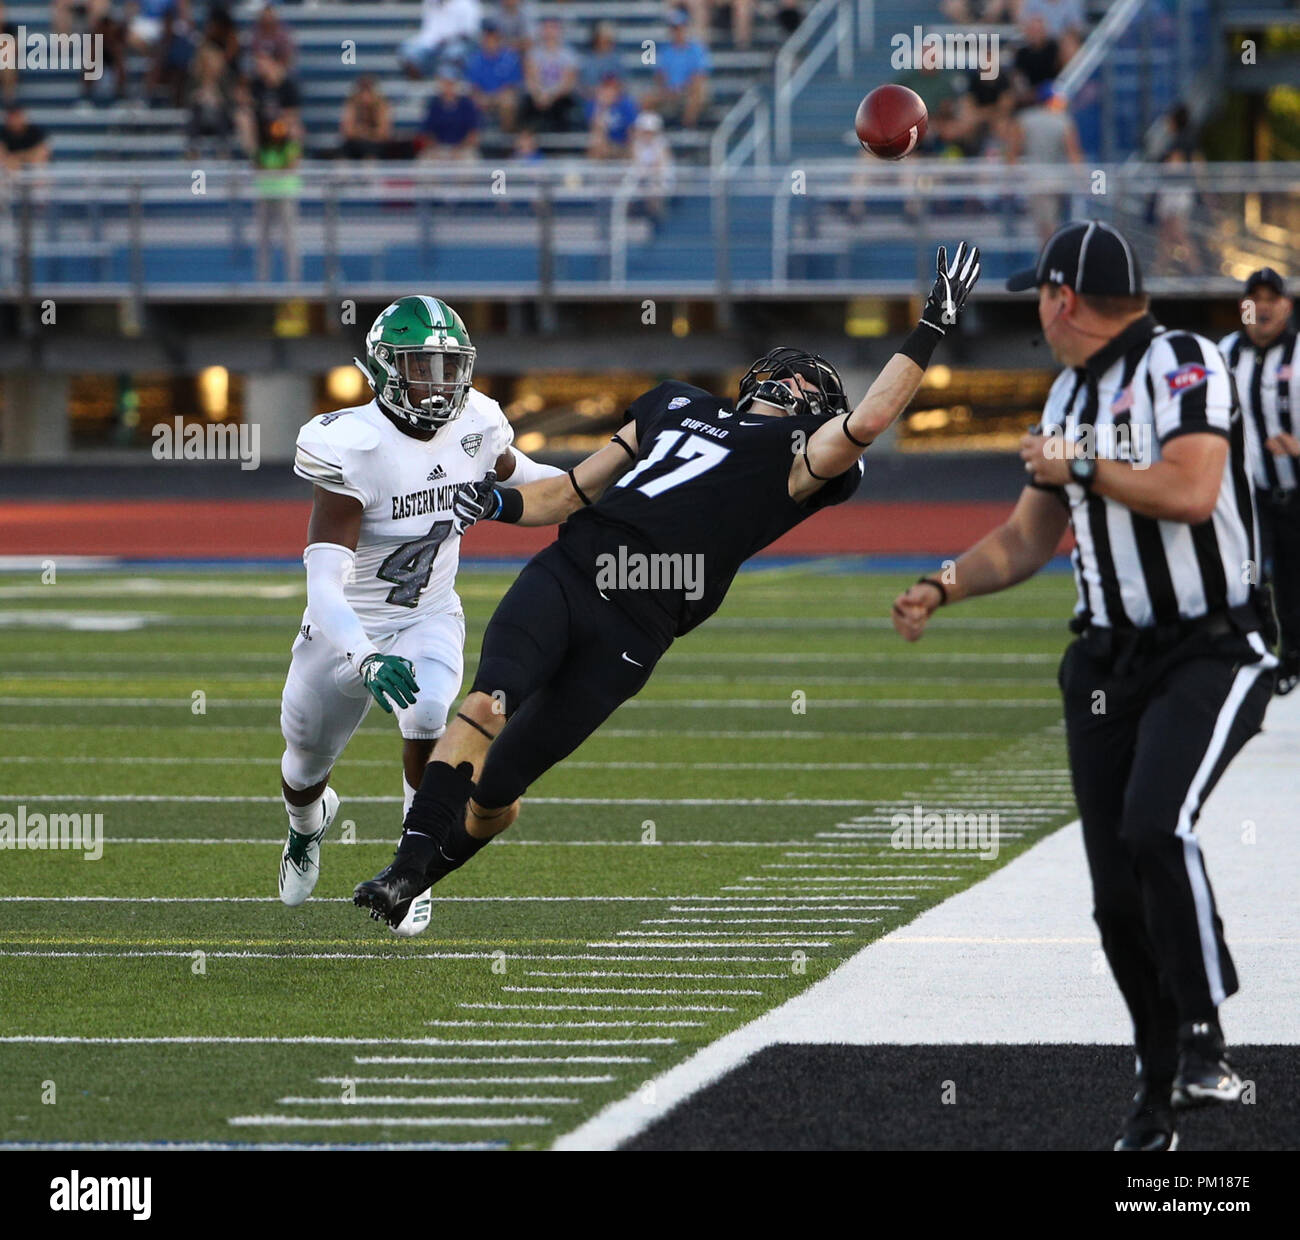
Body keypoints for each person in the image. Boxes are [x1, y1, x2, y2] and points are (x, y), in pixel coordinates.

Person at [351, 243, 981, 936]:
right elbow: (567, 492)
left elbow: (870, 420)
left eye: (808, 385)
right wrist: (496, 503)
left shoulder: (804, 461)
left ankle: (423, 876)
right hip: (570, 572)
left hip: (636, 627)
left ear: (816, 410)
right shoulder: (675, 403)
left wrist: (932, 326)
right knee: (487, 700)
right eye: (790, 375)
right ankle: (405, 868)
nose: (792, 385)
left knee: (501, 787)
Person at [892, 221, 1275, 1153]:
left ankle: (1204, 1040)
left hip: (1208, 646)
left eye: (1038, 298)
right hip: (1106, 661)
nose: (1036, 315)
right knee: (1113, 897)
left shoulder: (1187, 360)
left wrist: (1083, 466)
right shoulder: (1066, 390)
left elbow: (1190, 490)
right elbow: (1028, 539)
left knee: (1157, 824)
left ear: (1064, 299)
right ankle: (1157, 1081)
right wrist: (943, 582)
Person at [277, 296, 562, 907]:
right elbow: (325, 588)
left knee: (430, 715)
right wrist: (365, 659)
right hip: (347, 626)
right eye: (419, 367)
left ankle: (417, 861)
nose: (438, 384)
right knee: (303, 762)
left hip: (429, 614)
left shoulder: (477, 425)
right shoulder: (355, 445)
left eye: (448, 366)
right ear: (383, 370)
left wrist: (610, 484)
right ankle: (306, 828)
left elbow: (535, 478)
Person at [1219, 268, 1300, 695]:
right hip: (1246, 496)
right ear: (1243, 306)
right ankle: (1256, 656)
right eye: (1255, 298)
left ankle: (1292, 657)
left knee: (1291, 581)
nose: (1263, 306)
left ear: (1286, 306)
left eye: (1272, 298)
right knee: (1245, 576)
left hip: (1295, 492)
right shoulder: (1224, 353)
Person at [646, 10, 711, 128]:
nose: (677, 32)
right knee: (646, 100)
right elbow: (659, 75)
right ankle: (651, 135)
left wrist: (683, 89)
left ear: (686, 28)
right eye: (674, 28)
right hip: (670, 91)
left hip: (689, 91)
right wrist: (669, 90)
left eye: (680, 28)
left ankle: (687, 130)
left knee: (698, 93)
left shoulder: (697, 49)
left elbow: (700, 75)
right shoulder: (664, 50)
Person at [520, 16, 579, 132]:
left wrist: (551, 96)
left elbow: (568, 82)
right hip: (538, 95)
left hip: (559, 96)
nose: (549, 32)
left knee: (564, 106)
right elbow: (530, 77)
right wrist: (539, 95)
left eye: (552, 28)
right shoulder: (533, 54)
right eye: (546, 28)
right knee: (525, 105)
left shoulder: (568, 55)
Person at [464, 19, 524, 131]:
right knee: (471, 101)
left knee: (508, 101)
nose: (490, 40)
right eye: (487, 36)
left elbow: (512, 87)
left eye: (493, 37)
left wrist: (494, 98)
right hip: (483, 97)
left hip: (502, 97)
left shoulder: (510, 57)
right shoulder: (475, 58)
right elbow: (473, 86)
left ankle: (507, 136)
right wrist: (483, 97)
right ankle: (475, 137)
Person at [398, 0, 481, 80]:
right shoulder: (431, 2)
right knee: (407, 49)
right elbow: (428, 32)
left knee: (452, 54)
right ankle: (421, 80)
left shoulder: (468, 3)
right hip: (432, 43)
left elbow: (469, 33)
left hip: (456, 44)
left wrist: (449, 39)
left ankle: (449, 82)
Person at [419, 67, 481, 160]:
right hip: (438, 149)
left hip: (462, 149)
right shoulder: (433, 105)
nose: (448, 86)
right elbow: (426, 133)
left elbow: (473, 134)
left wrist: (459, 149)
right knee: (423, 165)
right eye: (445, 83)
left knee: (470, 162)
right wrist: (436, 149)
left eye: (451, 83)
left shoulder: (467, 104)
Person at [585, 73, 639, 159]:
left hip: (622, 143)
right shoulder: (593, 104)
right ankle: (597, 170)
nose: (609, 91)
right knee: (597, 142)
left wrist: (630, 149)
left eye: (613, 88)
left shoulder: (626, 104)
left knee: (634, 146)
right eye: (606, 87)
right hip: (604, 144)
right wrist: (602, 107)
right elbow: (594, 128)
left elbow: (631, 130)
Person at [339, 75, 393, 160]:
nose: (365, 96)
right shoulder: (352, 104)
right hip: (355, 144)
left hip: (375, 145)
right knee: (343, 156)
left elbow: (383, 133)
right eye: (363, 91)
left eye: (368, 91)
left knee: (371, 155)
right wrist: (368, 133)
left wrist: (363, 132)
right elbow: (347, 132)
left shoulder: (381, 105)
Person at [0, 105, 50, 170]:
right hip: (9, 168)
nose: (15, 121)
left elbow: (42, 152)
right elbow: (2, 155)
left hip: (34, 168)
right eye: (12, 117)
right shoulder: (2, 133)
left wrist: (18, 157)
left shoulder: (35, 132)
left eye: (17, 117)